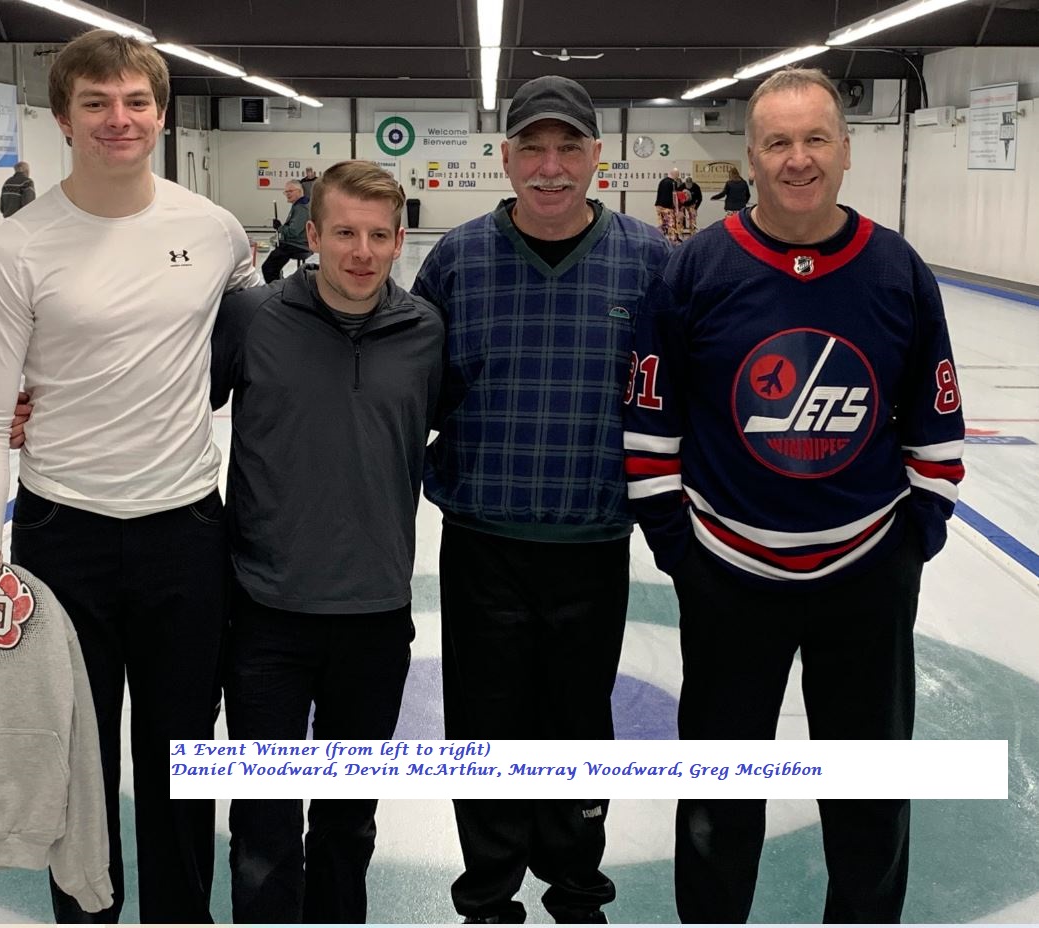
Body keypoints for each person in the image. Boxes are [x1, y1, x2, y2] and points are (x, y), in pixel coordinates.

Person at [622, 67, 965, 924]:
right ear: (750, 157)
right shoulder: (695, 268)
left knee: (870, 785)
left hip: (865, 575)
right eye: (777, 142)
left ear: (846, 151)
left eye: (815, 139)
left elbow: (935, 421)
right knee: (717, 788)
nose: (797, 158)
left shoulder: (896, 270)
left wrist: (909, 538)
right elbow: (649, 420)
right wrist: (679, 548)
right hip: (729, 576)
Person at [0, 29, 258, 924]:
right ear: (63, 117)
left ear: (159, 115)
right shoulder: (17, 247)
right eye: (96, 103)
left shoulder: (212, 231)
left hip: (185, 533)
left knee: (180, 754)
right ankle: (84, 911)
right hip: (62, 536)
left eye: (134, 102)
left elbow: (250, 344)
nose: (116, 119)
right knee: (73, 758)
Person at [412, 75, 670, 925]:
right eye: (533, 148)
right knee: (481, 726)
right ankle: (486, 895)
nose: (550, 168)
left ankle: (573, 887)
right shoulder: (456, 259)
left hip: (592, 540)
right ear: (507, 157)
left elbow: (691, 386)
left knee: (575, 725)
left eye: (568, 148)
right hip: (482, 537)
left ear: (598, 157)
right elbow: (409, 382)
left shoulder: (647, 258)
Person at [212, 160, 444, 924]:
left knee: (347, 821)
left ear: (399, 239)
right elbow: (159, 395)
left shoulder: (423, 332)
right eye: (343, 232)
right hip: (265, 615)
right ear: (310, 235)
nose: (361, 251)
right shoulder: (252, 319)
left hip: (374, 620)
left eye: (379, 235)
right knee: (265, 821)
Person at [261, 179, 312, 282]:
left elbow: (293, 231)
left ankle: (276, 290)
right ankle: (280, 284)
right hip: (297, 243)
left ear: (299, 191)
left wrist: (280, 227)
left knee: (268, 268)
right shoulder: (299, 205)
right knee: (274, 264)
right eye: (286, 192)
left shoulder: (302, 208)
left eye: (290, 191)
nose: (287, 194)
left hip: (298, 245)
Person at [654, 167, 682, 245]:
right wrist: (677, 210)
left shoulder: (662, 181)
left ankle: (659, 240)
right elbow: (675, 197)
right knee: (671, 225)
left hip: (659, 206)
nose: (678, 176)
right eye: (678, 175)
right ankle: (672, 241)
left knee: (661, 224)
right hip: (668, 208)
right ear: (675, 175)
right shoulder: (673, 183)